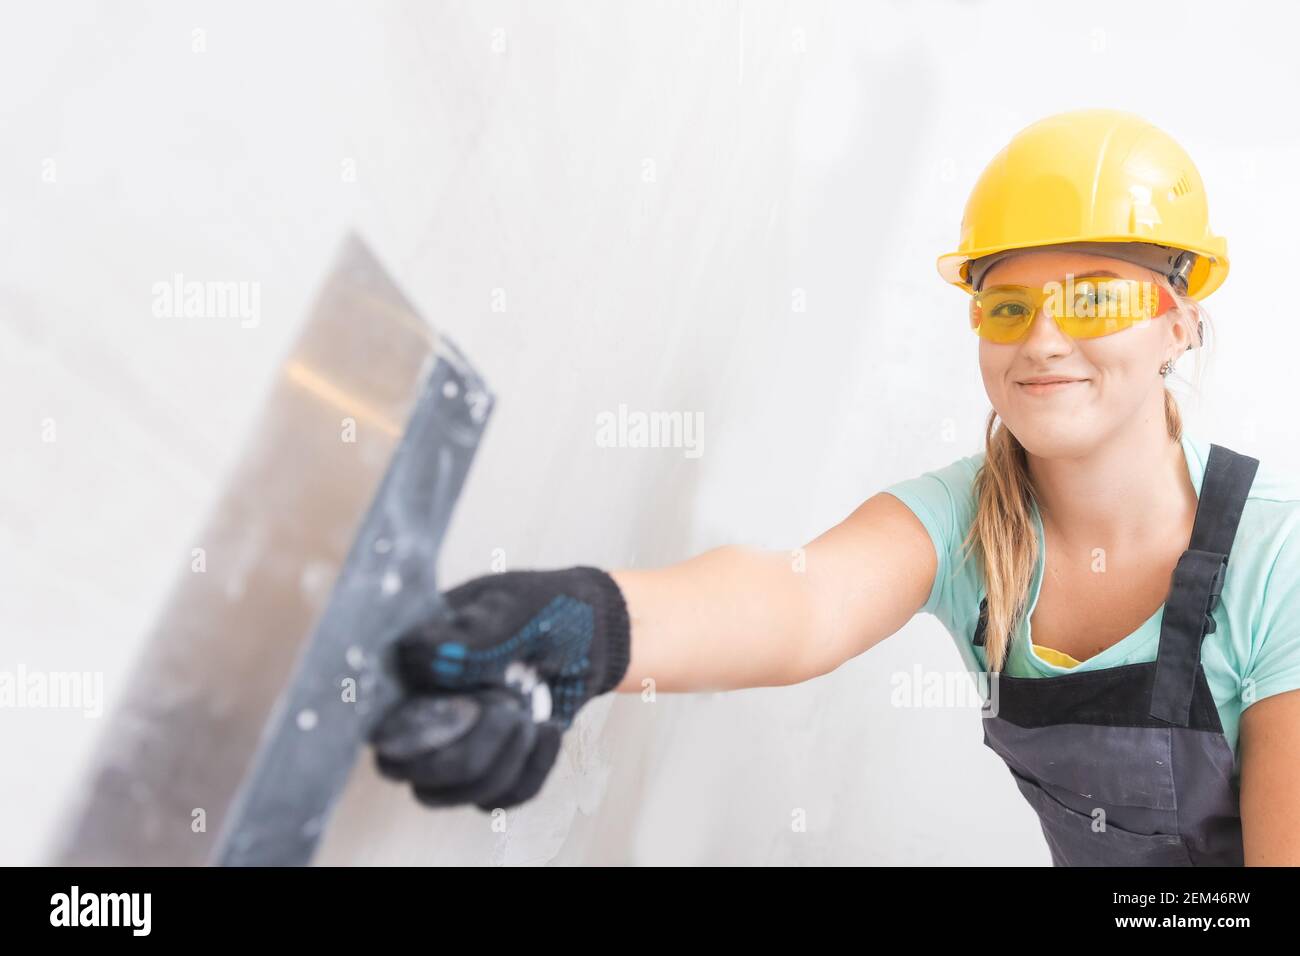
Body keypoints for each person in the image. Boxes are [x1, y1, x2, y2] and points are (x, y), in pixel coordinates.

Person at [367, 108, 1300, 865]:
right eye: (1009, 306)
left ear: (1178, 322)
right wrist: (590, 623)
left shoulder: (1276, 564)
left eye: (1095, 296)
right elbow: (797, 601)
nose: (1044, 340)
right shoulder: (969, 522)